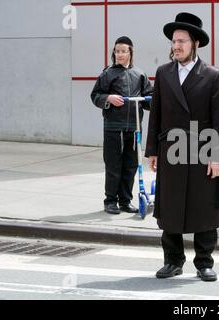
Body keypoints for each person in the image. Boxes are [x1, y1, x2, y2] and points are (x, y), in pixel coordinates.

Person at [145, 12, 219, 282]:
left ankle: (204, 262)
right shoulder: (163, 73)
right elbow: (155, 115)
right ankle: (172, 260)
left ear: (195, 43)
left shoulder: (214, 76)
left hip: (202, 151)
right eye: (174, 41)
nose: (176, 46)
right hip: (170, 150)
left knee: (204, 207)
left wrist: (218, 157)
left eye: (182, 41)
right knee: (170, 207)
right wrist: (152, 151)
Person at [91, 36, 153, 215]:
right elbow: (95, 95)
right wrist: (107, 98)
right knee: (113, 166)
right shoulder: (107, 73)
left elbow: (148, 97)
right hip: (113, 127)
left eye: (123, 51)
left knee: (131, 166)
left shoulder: (139, 74)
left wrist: (154, 100)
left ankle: (126, 201)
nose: (119, 54)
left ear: (130, 53)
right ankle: (110, 201)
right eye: (117, 51)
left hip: (134, 128)